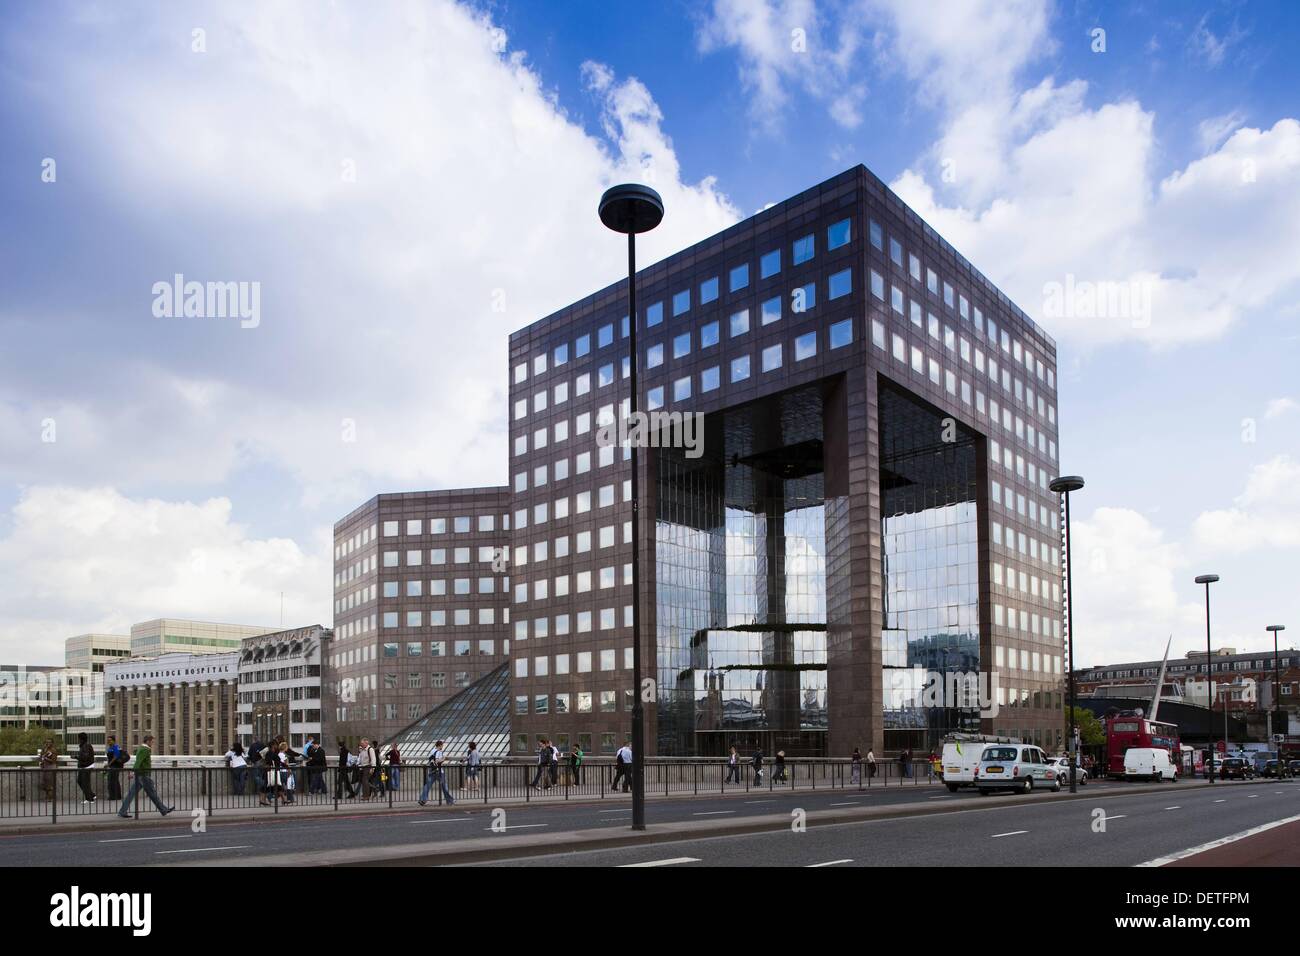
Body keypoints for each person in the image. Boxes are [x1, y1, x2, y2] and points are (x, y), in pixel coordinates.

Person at [117, 735, 174, 818]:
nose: (152, 743)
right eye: (152, 742)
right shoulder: (145, 750)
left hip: (140, 775)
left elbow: (138, 761)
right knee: (152, 794)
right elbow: (139, 761)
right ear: (147, 741)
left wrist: (134, 772)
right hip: (143, 775)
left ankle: (122, 811)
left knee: (132, 794)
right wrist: (133, 772)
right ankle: (163, 809)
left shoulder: (141, 749)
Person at [419, 740, 454, 806]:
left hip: (432, 770)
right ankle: (449, 800)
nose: (442, 747)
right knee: (444, 786)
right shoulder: (439, 751)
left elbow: (432, 760)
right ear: (440, 745)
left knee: (427, 785)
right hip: (439, 771)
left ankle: (422, 799)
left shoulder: (432, 751)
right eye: (442, 745)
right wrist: (444, 758)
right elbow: (437, 760)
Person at [75, 732, 97, 803]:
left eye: (78, 738)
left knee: (84, 782)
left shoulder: (86, 746)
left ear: (81, 739)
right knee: (81, 781)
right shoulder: (84, 745)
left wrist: (77, 757)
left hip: (87, 766)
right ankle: (91, 795)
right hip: (84, 766)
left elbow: (85, 756)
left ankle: (90, 799)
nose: (78, 739)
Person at [105, 736, 125, 801]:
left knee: (112, 781)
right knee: (114, 780)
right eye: (108, 740)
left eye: (110, 740)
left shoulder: (116, 747)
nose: (108, 741)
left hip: (115, 766)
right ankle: (116, 796)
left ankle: (114, 796)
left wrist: (109, 764)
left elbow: (116, 756)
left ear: (114, 741)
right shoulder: (110, 748)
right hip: (112, 766)